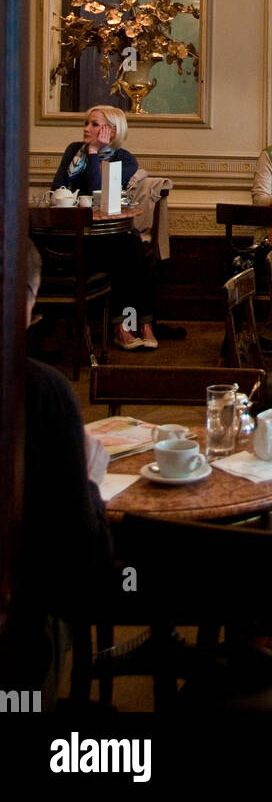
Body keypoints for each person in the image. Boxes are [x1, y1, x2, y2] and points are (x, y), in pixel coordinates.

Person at [3, 245, 116, 704]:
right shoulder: (42, 392)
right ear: (28, 300)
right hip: (14, 650)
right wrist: (87, 478)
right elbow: (84, 577)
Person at [49, 104, 158, 351]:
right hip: (75, 236)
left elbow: (101, 193)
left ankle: (139, 324)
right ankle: (128, 326)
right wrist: (90, 151)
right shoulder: (73, 151)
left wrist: (95, 152)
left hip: (107, 233)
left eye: (94, 124)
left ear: (112, 130)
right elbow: (58, 187)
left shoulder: (125, 158)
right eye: (86, 123)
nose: (87, 128)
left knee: (131, 249)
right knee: (130, 252)